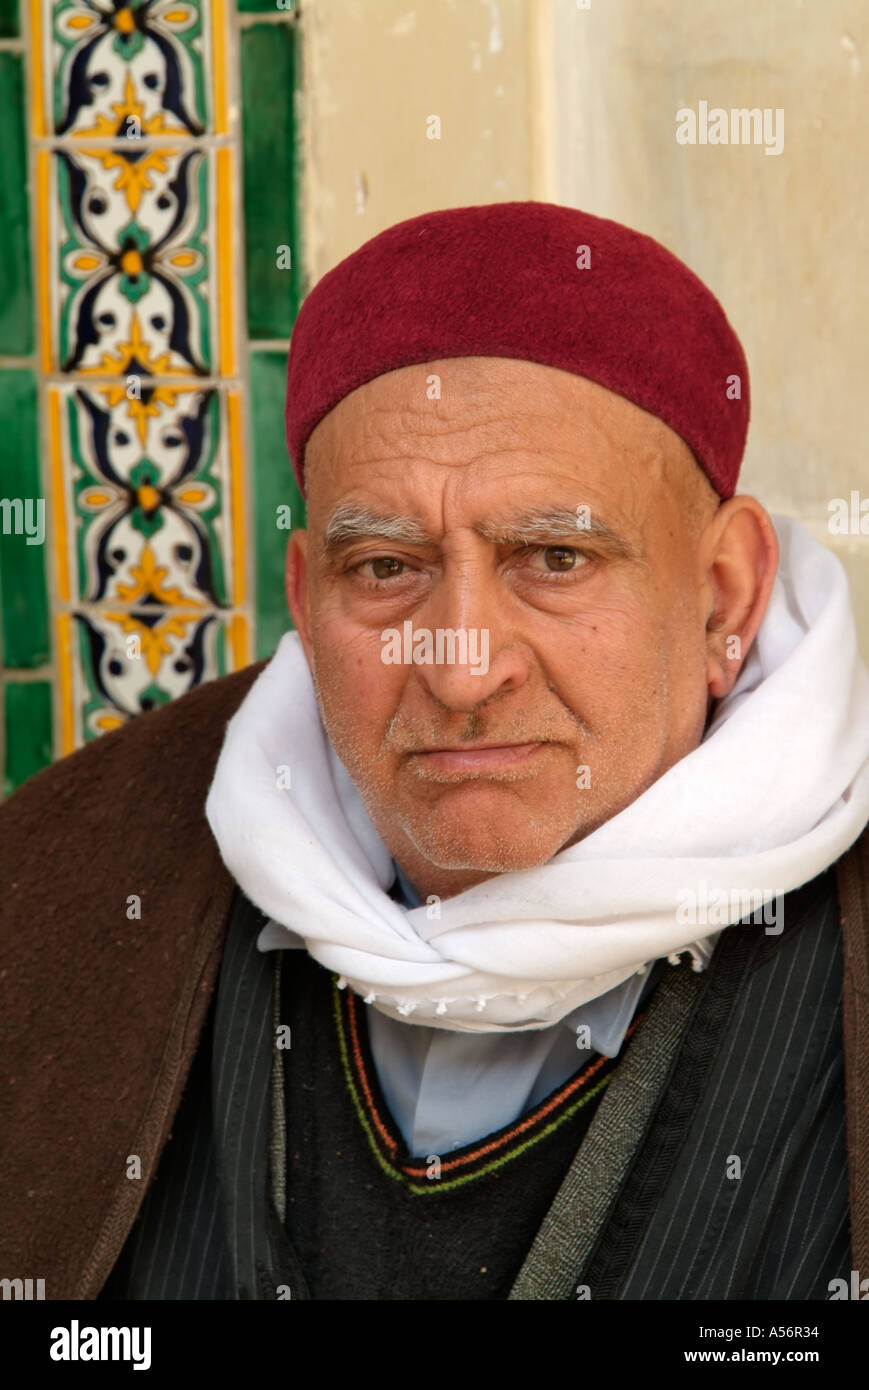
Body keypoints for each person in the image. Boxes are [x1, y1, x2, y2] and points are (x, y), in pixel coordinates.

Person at [2, 201, 868, 1301]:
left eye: (552, 557)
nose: (462, 672)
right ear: (306, 604)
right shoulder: (58, 883)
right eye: (386, 569)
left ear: (722, 597)